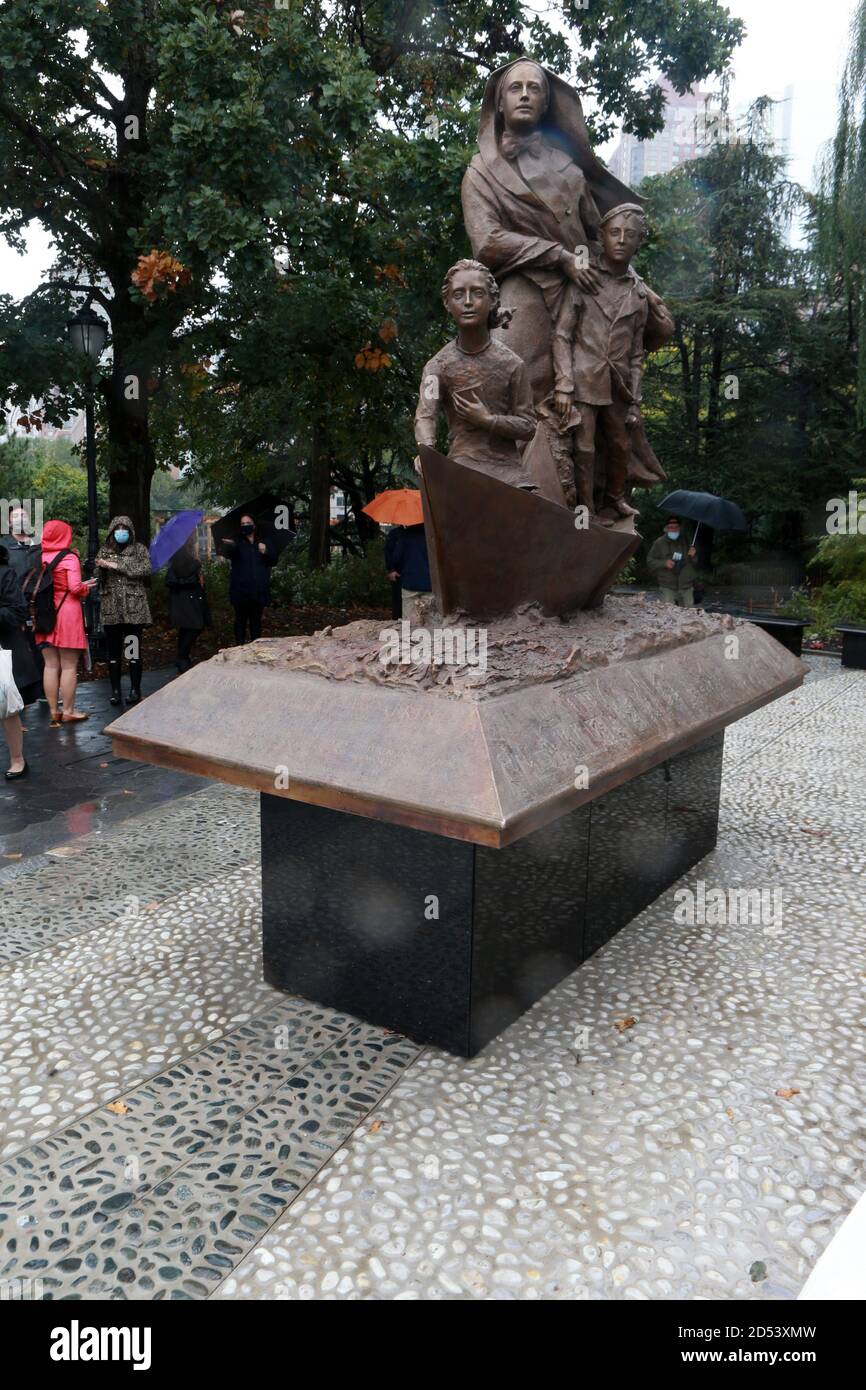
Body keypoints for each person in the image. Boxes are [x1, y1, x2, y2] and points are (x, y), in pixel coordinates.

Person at [414, 258, 536, 489]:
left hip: (509, 474)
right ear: (447, 303)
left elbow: (528, 426)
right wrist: (427, 450)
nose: (468, 302)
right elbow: (425, 415)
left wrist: (488, 420)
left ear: (492, 301)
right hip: (462, 469)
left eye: (477, 293)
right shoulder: (437, 366)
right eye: (459, 294)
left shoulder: (513, 364)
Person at [30, 520, 96, 723]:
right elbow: (75, 588)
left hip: (44, 614)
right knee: (68, 666)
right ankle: (68, 710)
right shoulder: (69, 557)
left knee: (49, 665)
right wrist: (86, 587)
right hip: (67, 613)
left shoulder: (38, 556)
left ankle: (53, 711)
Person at [95, 515, 152, 706]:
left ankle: (135, 690)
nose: (121, 532)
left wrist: (115, 565)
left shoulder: (139, 549)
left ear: (130, 531)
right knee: (113, 653)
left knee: (132, 651)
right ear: (112, 531)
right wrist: (98, 568)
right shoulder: (104, 551)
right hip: (112, 610)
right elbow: (98, 577)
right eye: (117, 529)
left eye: (124, 528)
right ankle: (116, 691)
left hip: (133, 612)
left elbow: (143, 569)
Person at [0, 544, 42, 779]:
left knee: (6, 708)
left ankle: (17, 759)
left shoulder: (4, 573)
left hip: (2, 647)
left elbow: (17, 611)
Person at [221, 515, 276, 644]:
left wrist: (266, 551)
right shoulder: (236, 541)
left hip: (259, 590)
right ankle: (239, 648)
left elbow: (274, 560)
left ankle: (254, 649)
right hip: (241, 590)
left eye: (248, 522)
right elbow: (229, 553)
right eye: (243, 523)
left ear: (254, 525)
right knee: (240, 621)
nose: (246, 525)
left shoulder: (264, 541)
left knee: (256, 622)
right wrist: (230, 546)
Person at [165, 534, 208, 672]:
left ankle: (183, 657)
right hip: (184, 598)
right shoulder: (179, 553)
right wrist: (197, 565)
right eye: (190, 535)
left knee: (188, 627)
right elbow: (183, 573)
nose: (193, 537)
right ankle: (182, 657)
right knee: (193, 626)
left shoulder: (188, 551)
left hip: (190, 597)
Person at [647, 517, 698, 607]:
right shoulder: (659, 543)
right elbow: (650, 561)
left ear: (679, 528)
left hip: (686, 586)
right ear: (666, 529)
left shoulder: (686, 540)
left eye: (676, 527)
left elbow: (695, 563)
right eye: (671, 527)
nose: (673, 529)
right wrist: (664, 563)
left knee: (689, 615)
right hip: (667, 586)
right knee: (668, 614)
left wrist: (693, 556)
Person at [385, 523, 432, 620]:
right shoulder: (432, 533)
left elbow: (396, 557)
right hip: (430, 583)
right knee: (430, 619)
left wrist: (392, 568)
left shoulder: (404, 535)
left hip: (410, 582)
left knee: (409, 621)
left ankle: (409, 634)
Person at [1, 504, 41, 585]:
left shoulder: (41, 543)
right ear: (8, 523)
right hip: (12, 596)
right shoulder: (2, 546)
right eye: (15, 516)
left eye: (24, 515)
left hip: (42, 595)